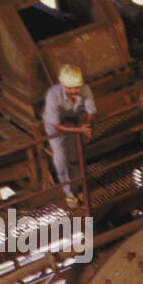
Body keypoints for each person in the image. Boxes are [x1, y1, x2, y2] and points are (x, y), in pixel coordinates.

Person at [43, 65, 96, 208]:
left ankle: (78, 189)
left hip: (74, 121)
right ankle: (69, 193)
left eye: (76, 88)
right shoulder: (53, 95)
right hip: (56, 127)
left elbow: (90, 110)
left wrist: (88, 125)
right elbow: (56, 126)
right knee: (61, 160)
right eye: (69, 88)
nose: (74, 91)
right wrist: (80, 129)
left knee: (75, 157)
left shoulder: (84, 89)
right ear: (62, 84)